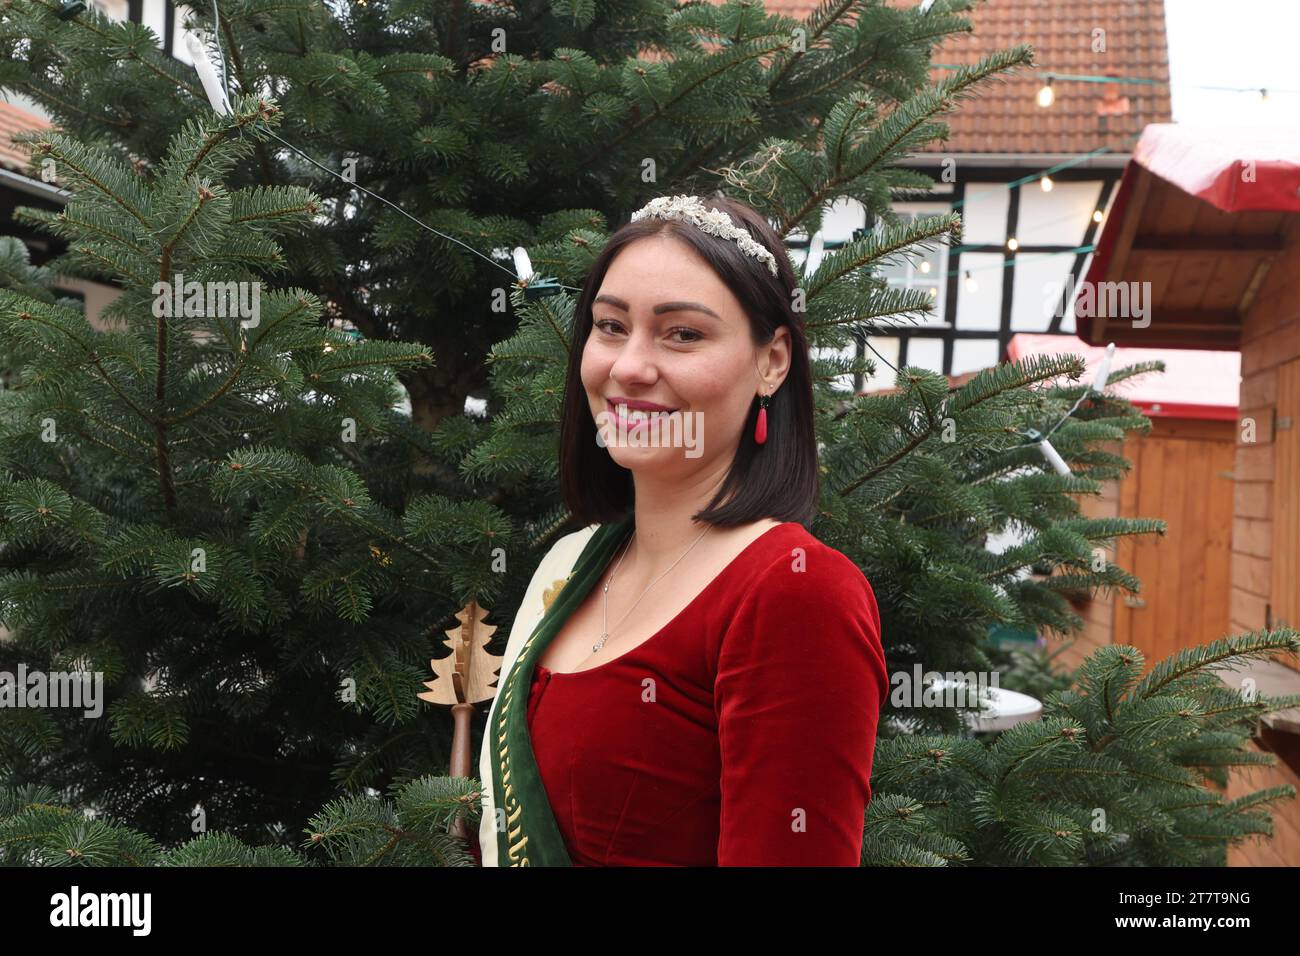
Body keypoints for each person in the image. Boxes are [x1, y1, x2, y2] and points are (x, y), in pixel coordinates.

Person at [474, 194, 888, 866]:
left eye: (683, 334)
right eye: (609, 327)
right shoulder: (571, 566)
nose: (629, 367)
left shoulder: (794, 592)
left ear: (772, 361)